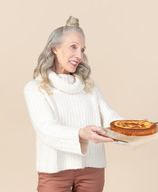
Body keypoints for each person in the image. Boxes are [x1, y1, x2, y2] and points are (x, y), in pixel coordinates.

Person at [24, 16, 123, 192]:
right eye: (73, 47)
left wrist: (133, 129)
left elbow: (109, 116)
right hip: (55, 171)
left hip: (92, 168)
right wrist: (81, 133)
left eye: (82, 49)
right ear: (54, 48)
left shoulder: (89, 85)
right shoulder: (36, 88)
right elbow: (45, 128)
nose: (79, 55)